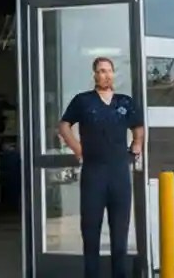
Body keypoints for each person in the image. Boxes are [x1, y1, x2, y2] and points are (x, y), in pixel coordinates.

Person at [57, 57, 145, 278]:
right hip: (94, 174)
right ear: (94, 75)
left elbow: (138, 126)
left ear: (113, 74)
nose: (105, 75)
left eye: (108, 71)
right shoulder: (83, 101)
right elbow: (64, 126)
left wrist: (136, 144)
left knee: (119, 234)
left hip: (119, 174)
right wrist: (78, 149)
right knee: (91, 232)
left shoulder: (125, 102)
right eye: (100, 71)